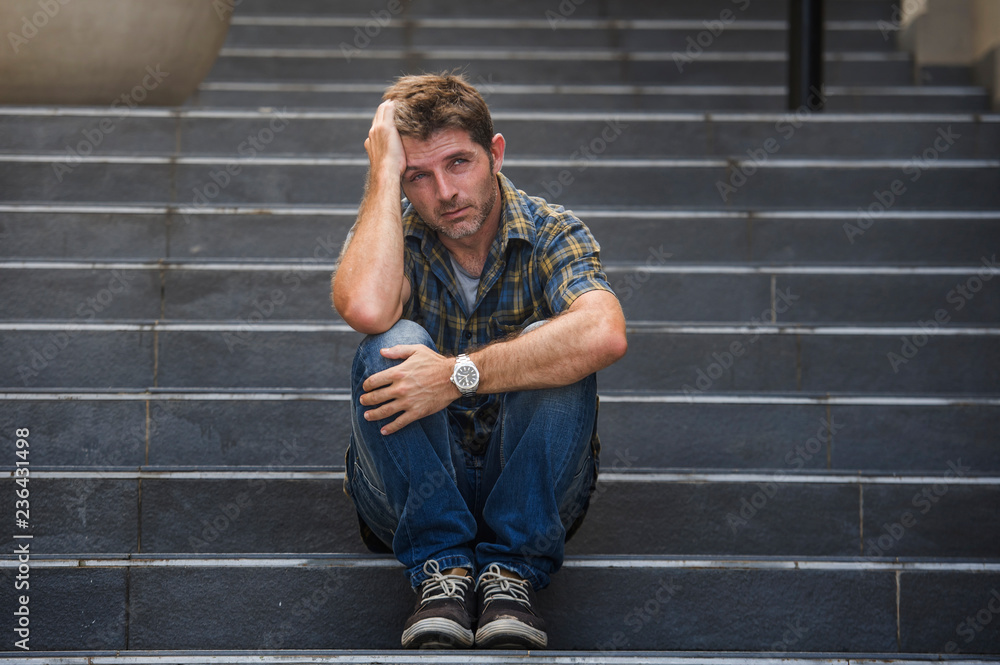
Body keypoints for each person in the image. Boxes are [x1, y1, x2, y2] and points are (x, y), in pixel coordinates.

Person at [331, 72, 627, 650]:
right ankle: (439, 568)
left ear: (495, 154)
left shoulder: (550, 231)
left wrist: (455, 375)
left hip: (534, 491)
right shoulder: (393, 236)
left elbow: (604, 333)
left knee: (555, 340)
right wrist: (382, 174)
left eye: (458, 163)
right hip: (406, 494)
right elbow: (366, 308)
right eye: (418, 176)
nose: (444, 192)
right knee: (389, 342)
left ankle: (512, 570)